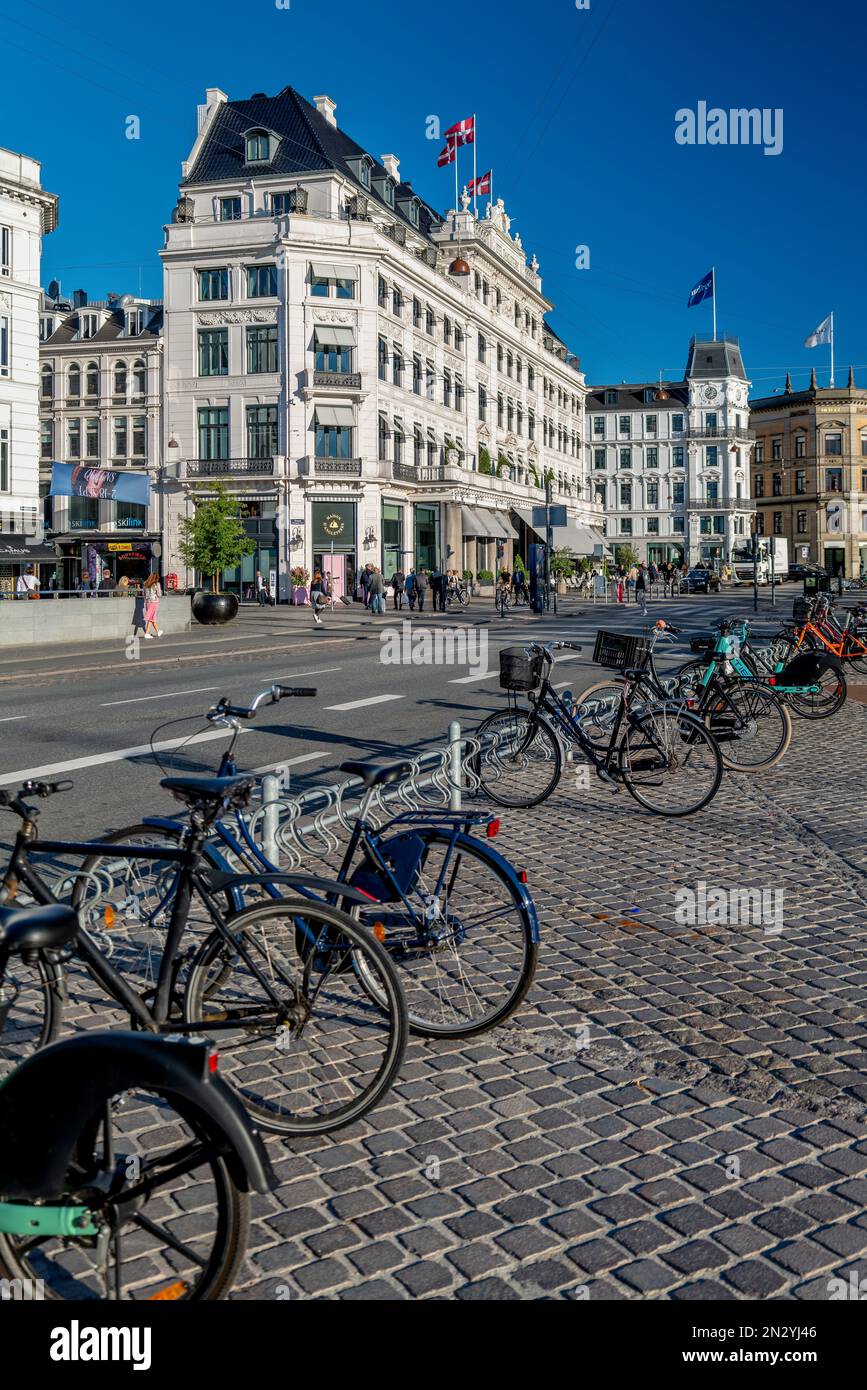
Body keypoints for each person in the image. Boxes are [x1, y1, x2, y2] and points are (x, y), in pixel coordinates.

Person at [142, 572, 163, 638]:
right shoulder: (157, 584)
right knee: (151, 617)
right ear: (156, 578)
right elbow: (159, 594)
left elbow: (144, 594)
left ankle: (158, 631)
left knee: (152, 617)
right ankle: (147, 633)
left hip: (147, 602)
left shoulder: (145, 584)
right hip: (154, 602)